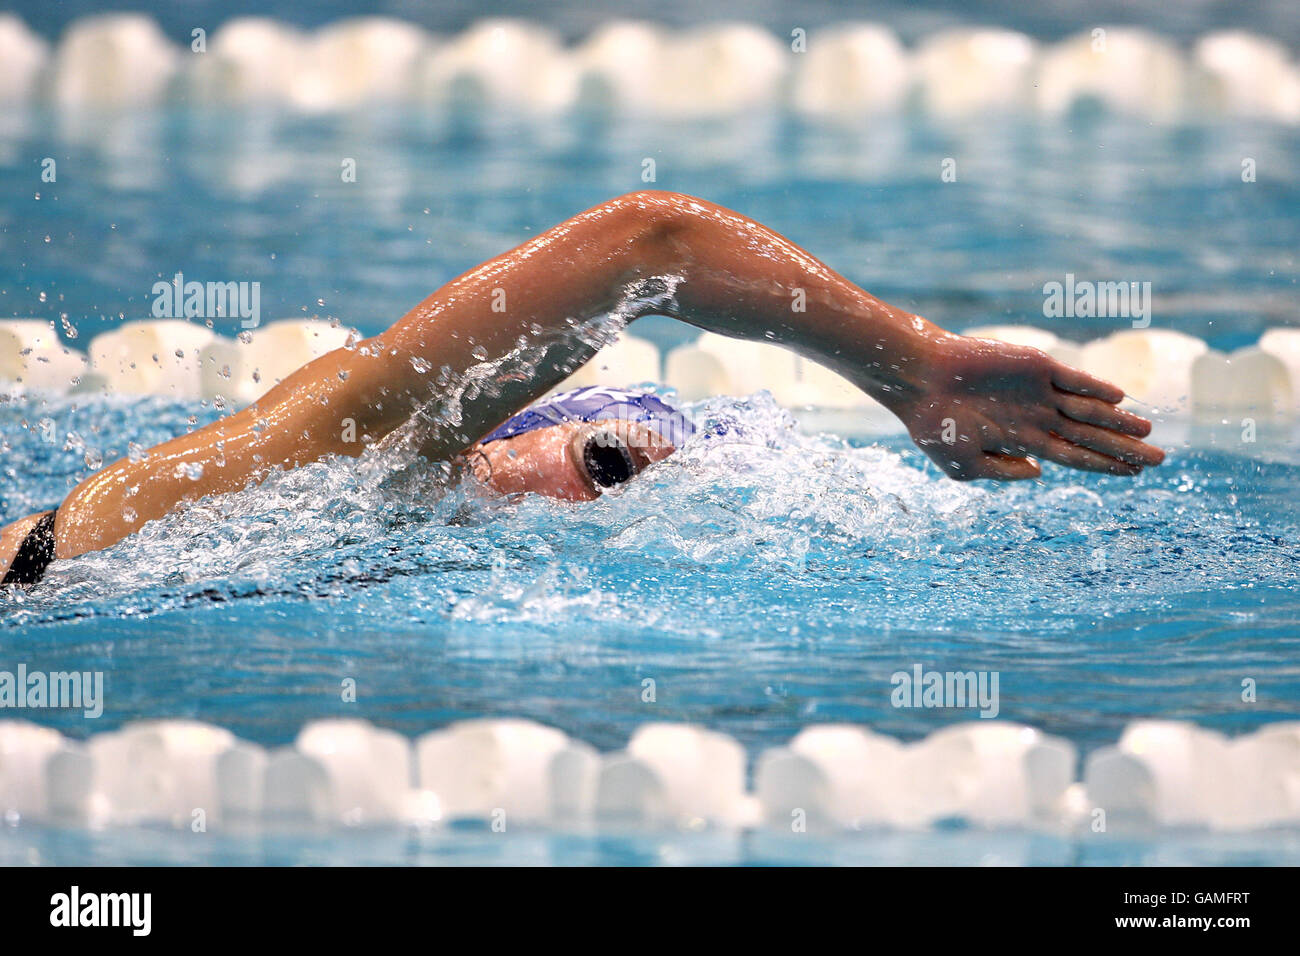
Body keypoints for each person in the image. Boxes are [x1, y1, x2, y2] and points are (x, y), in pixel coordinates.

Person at [0, 191, 1163, 586]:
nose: (583, 507)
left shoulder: (366, 540)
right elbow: (648, 239)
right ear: (507, 421)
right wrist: (911, 361)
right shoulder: (346, 445)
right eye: (602, 466)